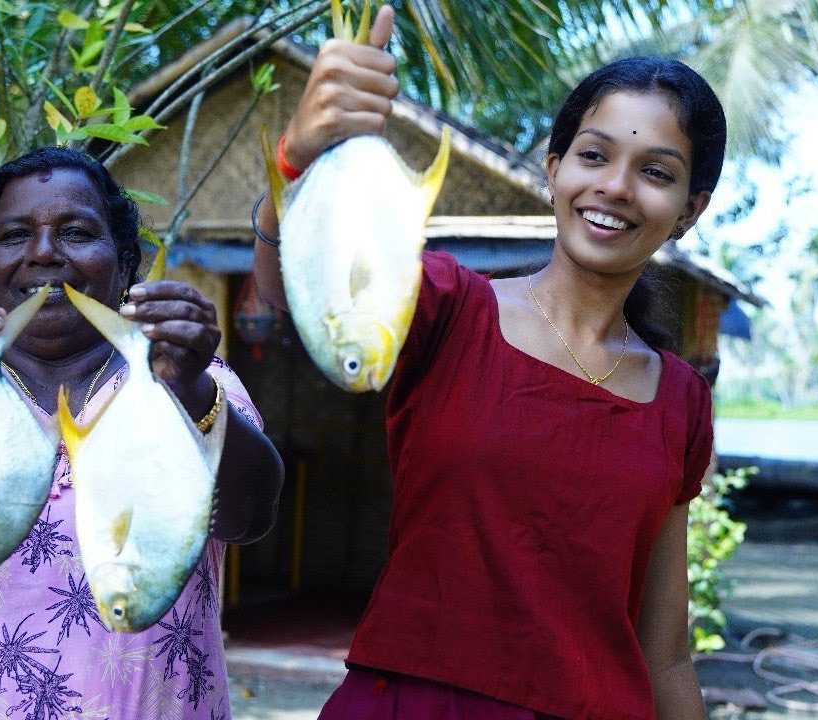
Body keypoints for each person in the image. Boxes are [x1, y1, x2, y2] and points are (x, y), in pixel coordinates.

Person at [251, 7, 721, 720]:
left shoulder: (679, 399)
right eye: (594, 156)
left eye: (655, 172)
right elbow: (290, 293)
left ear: (690, 209)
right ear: (555, 169)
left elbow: (666, 654)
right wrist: (298, 154)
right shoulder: (445, 306)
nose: (617, 187)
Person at [0, 146, 284, 720]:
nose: (44, 253)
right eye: (16, 235)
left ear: (125, 263)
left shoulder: (197, 380)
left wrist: (188, 385)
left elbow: (250, 517)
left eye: (76, 232)